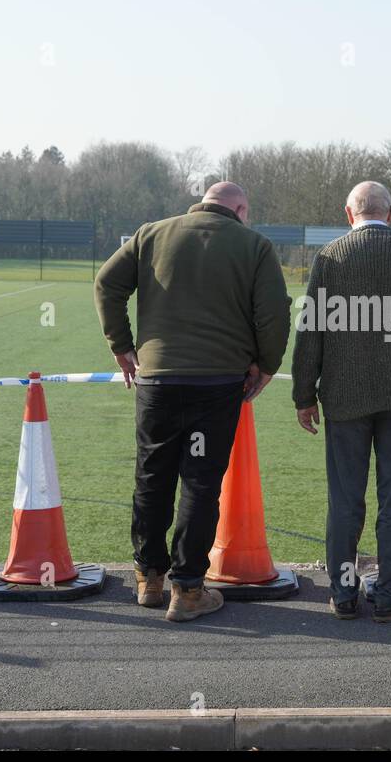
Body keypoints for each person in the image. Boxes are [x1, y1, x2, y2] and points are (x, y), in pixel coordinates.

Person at [94, 182, 291, 622]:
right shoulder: (254, 245)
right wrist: (266, 364)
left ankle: (148, 578)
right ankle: (188, 589)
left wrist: (121, 345)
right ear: (239, 209)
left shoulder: (152, 234)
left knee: (152, 476)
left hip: (157, 381)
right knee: (201, 484)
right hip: (217, 383)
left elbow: (107, 283)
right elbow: (274, 312)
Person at [291, 181, 391, 623]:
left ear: (349, 214)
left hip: (344, 398)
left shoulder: (330, 257)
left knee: (344, 500)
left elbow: (311, 334)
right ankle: (388, 596)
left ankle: (344, 595)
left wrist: (303, 394)